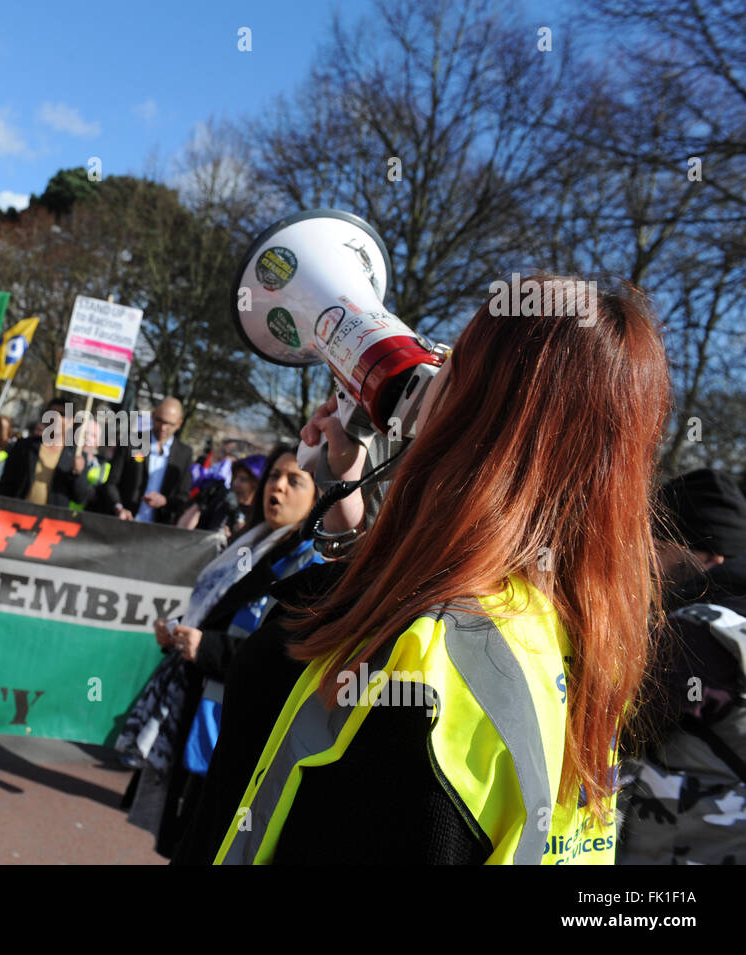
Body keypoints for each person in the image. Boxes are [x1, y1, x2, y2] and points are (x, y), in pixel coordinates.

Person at [179, 275, 670, 865]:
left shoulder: (418, 653)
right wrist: (353, 500)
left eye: (454, 364)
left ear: (483, 417)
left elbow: (282, 697)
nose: (432, 374)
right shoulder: (583, 635)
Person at [117, 446, 323, 858]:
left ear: (319, 498)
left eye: (294, 481)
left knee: (207, 842)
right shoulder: (254, 540)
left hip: (231, 724)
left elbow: (285, 654)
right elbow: (216, 608)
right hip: (201, 703)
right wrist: (179, 630)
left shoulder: (308, 561)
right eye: (274, 477)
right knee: (185, 837)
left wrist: (208, 647)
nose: (277, 487)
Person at [618, 469, 746, 864]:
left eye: (658, 543)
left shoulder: (698, 633)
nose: (645, 557)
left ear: (709, 556)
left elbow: (607, 734)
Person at [96, 397, 193, 524]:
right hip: (124, 522)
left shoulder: (184, 453)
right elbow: (111, 483)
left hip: (157, 530)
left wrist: (165, 502)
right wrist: (118, 507)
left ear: (179, 424)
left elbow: (183, 496)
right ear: (153, 416)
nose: (163, 428)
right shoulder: (131, 442)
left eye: (170, 424)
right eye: (160, 420)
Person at [0, 396, 93, 509]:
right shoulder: (24, 446)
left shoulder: (77, 456)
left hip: (50, 522)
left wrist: (77, 473)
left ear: (73, 420)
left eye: (62, 414)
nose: (55, 417)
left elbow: (79, 498)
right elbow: (5, 486)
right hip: (17, 516)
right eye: (51, 412)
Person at [178, 453, 263, 537]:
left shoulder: (258, 514)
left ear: (256, 483)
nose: (235, 483)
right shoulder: (221, 502)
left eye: (243, 480)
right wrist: (202, 501)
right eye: (235, 477)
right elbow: (181, 531)